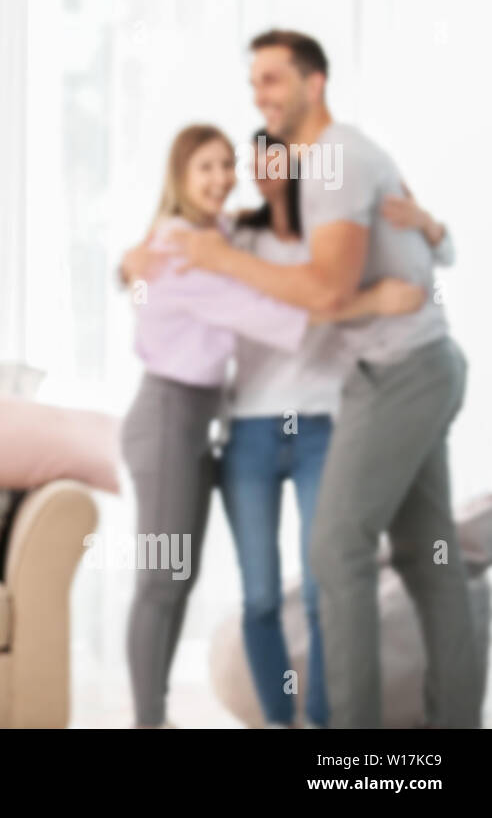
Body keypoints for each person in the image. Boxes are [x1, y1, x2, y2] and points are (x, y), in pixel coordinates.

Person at [170, 30, 479, 728]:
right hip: (421, 363)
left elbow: (326, 291)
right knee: (429, 557)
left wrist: (218, 259)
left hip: (398, 373)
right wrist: (433, 230)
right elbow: (398, 253)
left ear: (315, 84)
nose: (260, 96)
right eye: (254, 83)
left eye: (274, 81)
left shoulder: (336, 159)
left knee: (335, 548)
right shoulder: (335, 163)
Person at [121, 123, 423, 728]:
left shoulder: (220, 235)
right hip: (167, 418)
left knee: (180, 577)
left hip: (201, 419)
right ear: (180, 178)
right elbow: (268, 315)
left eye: (223, 168)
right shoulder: (183, 244)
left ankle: (168, 718)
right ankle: (148, 721)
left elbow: (274, 256)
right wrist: (373, 302)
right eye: (203, 168)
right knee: (162, 580)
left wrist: (421, 226)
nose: (220, 180)